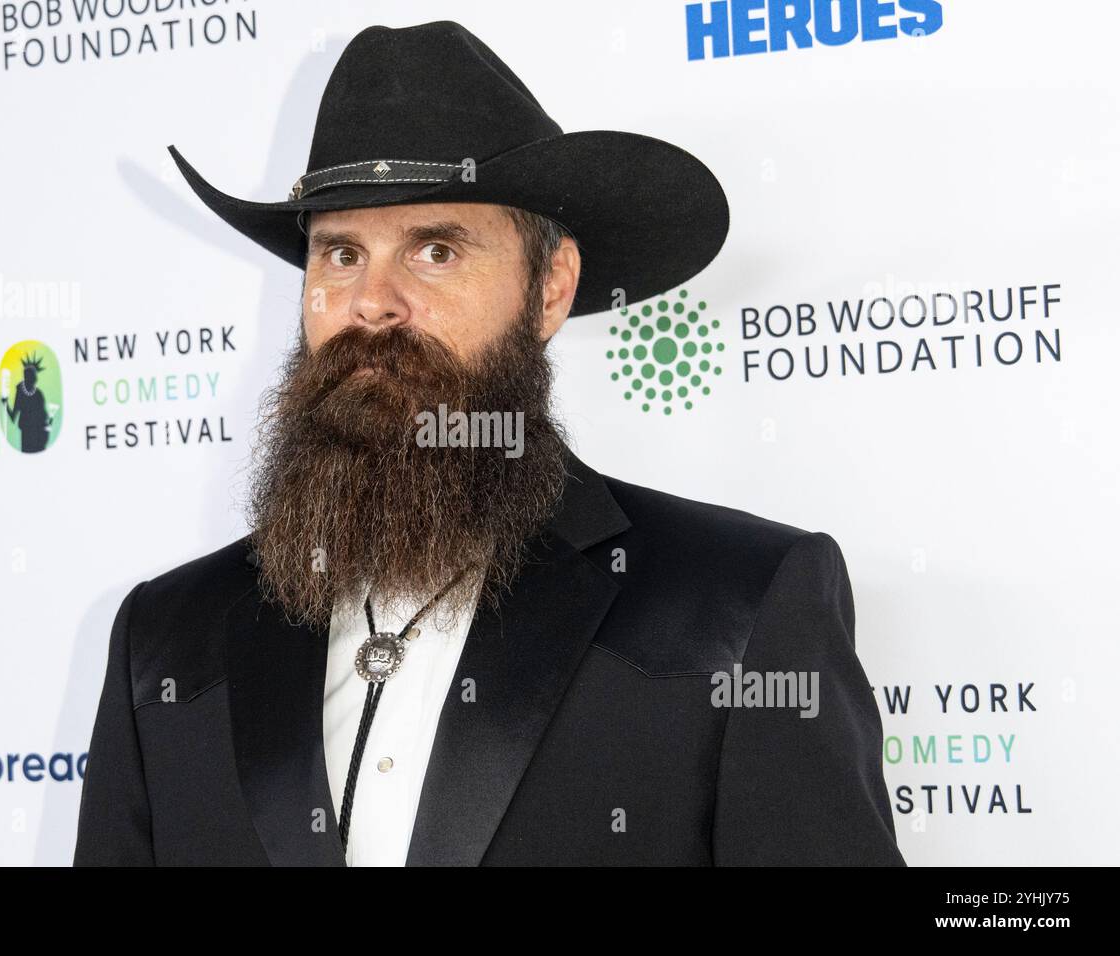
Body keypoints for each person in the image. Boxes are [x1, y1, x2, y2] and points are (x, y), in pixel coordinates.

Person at [73, 20, 904, 866]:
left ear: (550, 290)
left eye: (435, 250)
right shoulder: (167, 639)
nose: (373, 302)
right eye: (340, 253)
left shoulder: (737, 607)